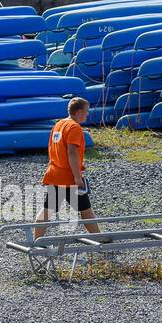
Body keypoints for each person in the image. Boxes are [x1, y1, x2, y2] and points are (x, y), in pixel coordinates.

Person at [35, 97, 99, 238]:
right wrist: (77, 176)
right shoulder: (74, 127)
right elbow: (72, 152)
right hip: (68, 178)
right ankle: (100, 239)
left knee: (48, 209)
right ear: (79, 112)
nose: (87, 114)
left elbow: (56, 150)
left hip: (54, 174)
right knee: (86, 210)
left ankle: (36, 239)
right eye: (86, 111)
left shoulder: (59, 125)